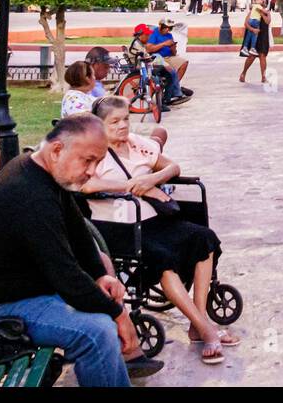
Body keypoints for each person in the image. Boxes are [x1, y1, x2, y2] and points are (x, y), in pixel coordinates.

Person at [0, 114, 141, 387]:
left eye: (98, 162)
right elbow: (65, 275)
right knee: (97, 333)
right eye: (88, 160)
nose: (92, 171)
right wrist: (118, 314)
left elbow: (78, 232)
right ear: (57, 150)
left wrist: (100, 274)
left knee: (101, 313)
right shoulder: (29, 194)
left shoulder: (40, 171)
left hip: (20, 294)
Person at [85, 96, 238, 364]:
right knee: (162, 257)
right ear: (99, 125)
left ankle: (197, 320)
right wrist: (130, 186)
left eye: (125, 119)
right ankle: (206, 328)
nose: (122, 126)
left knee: (204, 239)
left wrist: (152, 178)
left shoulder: (136, 144)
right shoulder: (93, 152)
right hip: (119, 228)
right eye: (114, 122)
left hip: (154, 220)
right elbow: (85, 187)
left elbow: (172, 166)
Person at [130, 24, 189, 107]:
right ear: (140, 35)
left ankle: (173, 93)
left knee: (171, 71)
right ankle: (172, 95)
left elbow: (147, 57)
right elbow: (146, 58)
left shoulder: (140, 43)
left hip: (147, 66)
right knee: (170, 72)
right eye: (147, 35)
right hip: (144, 70)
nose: (148, 37)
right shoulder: (137, 45)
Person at [239, 0, 272, 83]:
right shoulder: (253, 11)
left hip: (263, 37)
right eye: (261, 0)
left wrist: (262, 13)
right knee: (251, 56)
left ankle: (263, 77)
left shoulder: (267, 12)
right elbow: (246, 23)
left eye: (264, 2)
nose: (263, 2)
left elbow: (267, 21)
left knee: (262, 56)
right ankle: (243, 73)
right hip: (254, 36)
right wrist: (253, 29)